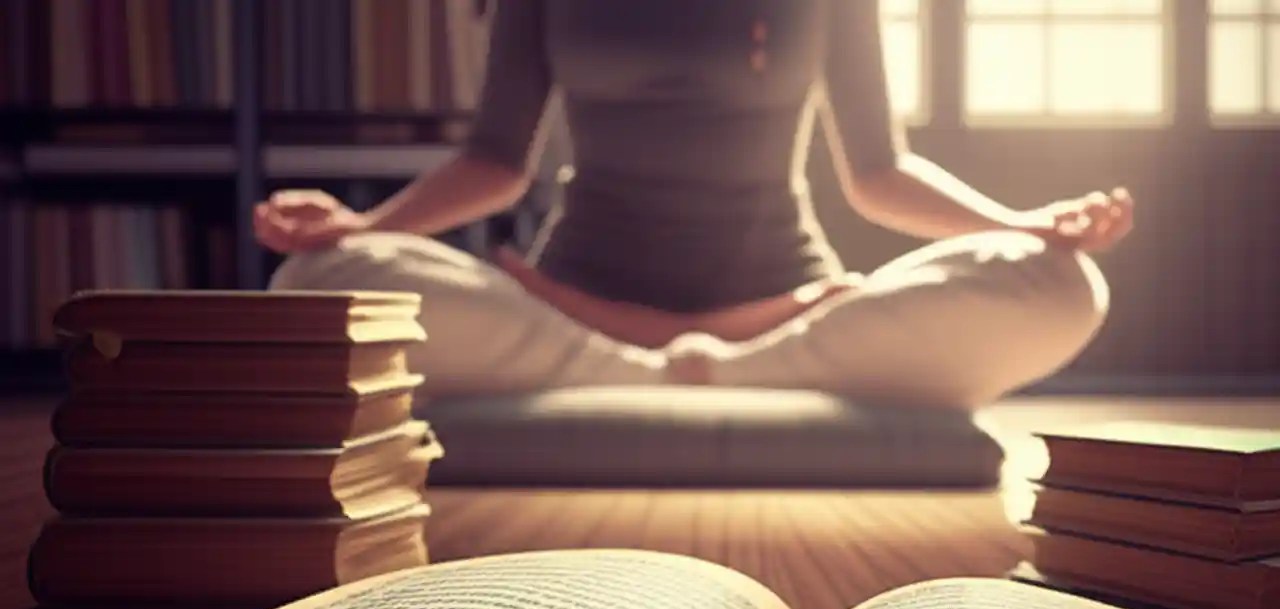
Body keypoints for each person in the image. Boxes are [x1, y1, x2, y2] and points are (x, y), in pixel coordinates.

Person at [257, 1, 1132, 409]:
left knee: (1061, 285)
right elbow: (494, 161)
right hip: (575, 309)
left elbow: (878, 173)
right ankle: (700, 374)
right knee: (317, 277)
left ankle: (683, 373)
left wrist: (1022, 227)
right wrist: (362, 232)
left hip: (791, 312)